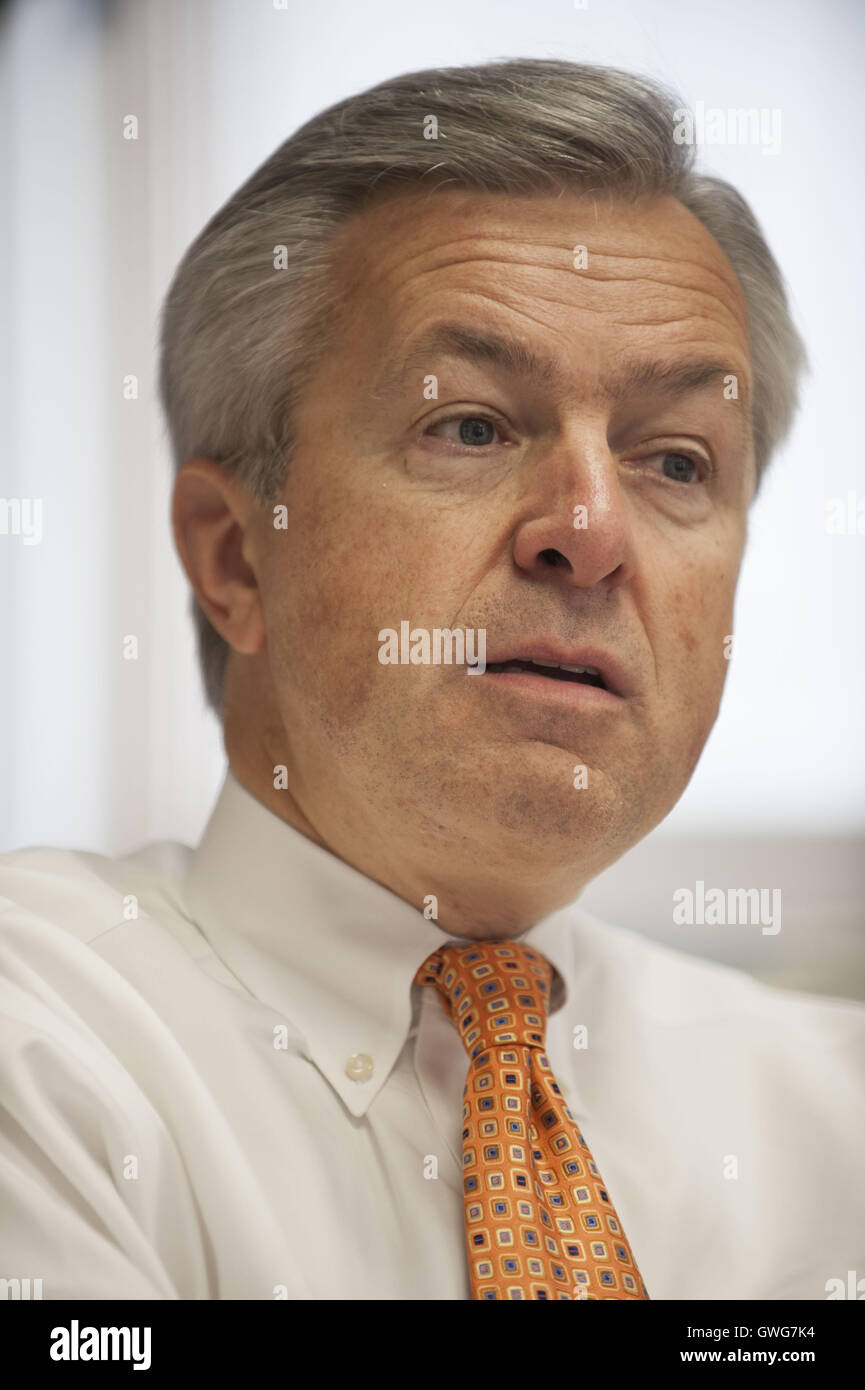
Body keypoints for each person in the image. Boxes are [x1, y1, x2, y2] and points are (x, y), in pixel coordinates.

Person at [1, 57, 862, 1303]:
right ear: (237, 557)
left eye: (674, 460)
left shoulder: (829, 1119)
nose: (588, 528)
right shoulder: (46, 1053)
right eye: (468, 427)